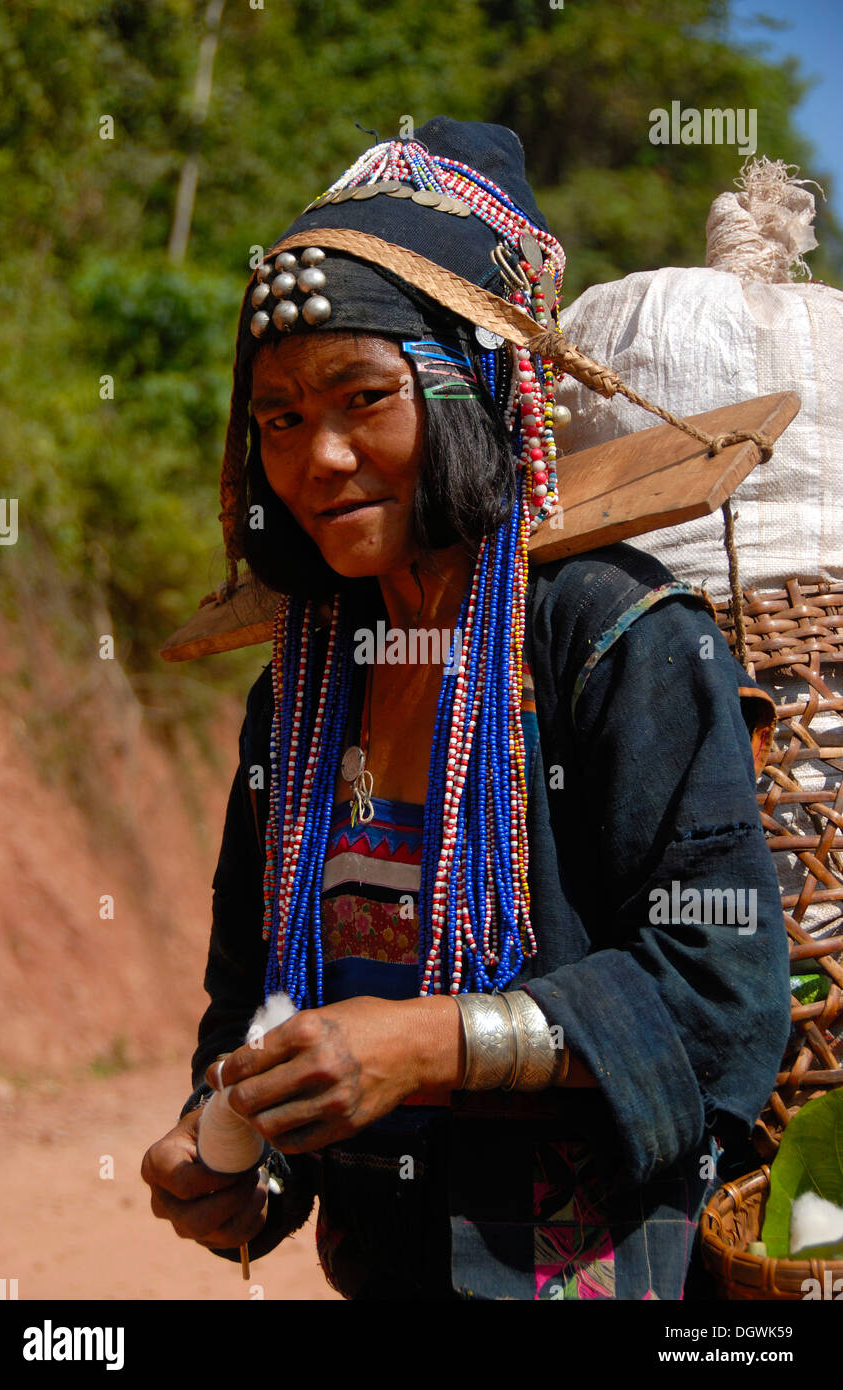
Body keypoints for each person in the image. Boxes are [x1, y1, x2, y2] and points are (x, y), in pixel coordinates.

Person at [141, 117, 792, 1300]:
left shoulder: (615, 638)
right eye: (280, 419)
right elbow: (254, 995)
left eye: (362, 398)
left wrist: (432, 1043)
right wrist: (238, 1150)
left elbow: (722, 990)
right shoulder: (298, 694)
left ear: (478, 392)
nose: (320, 457)